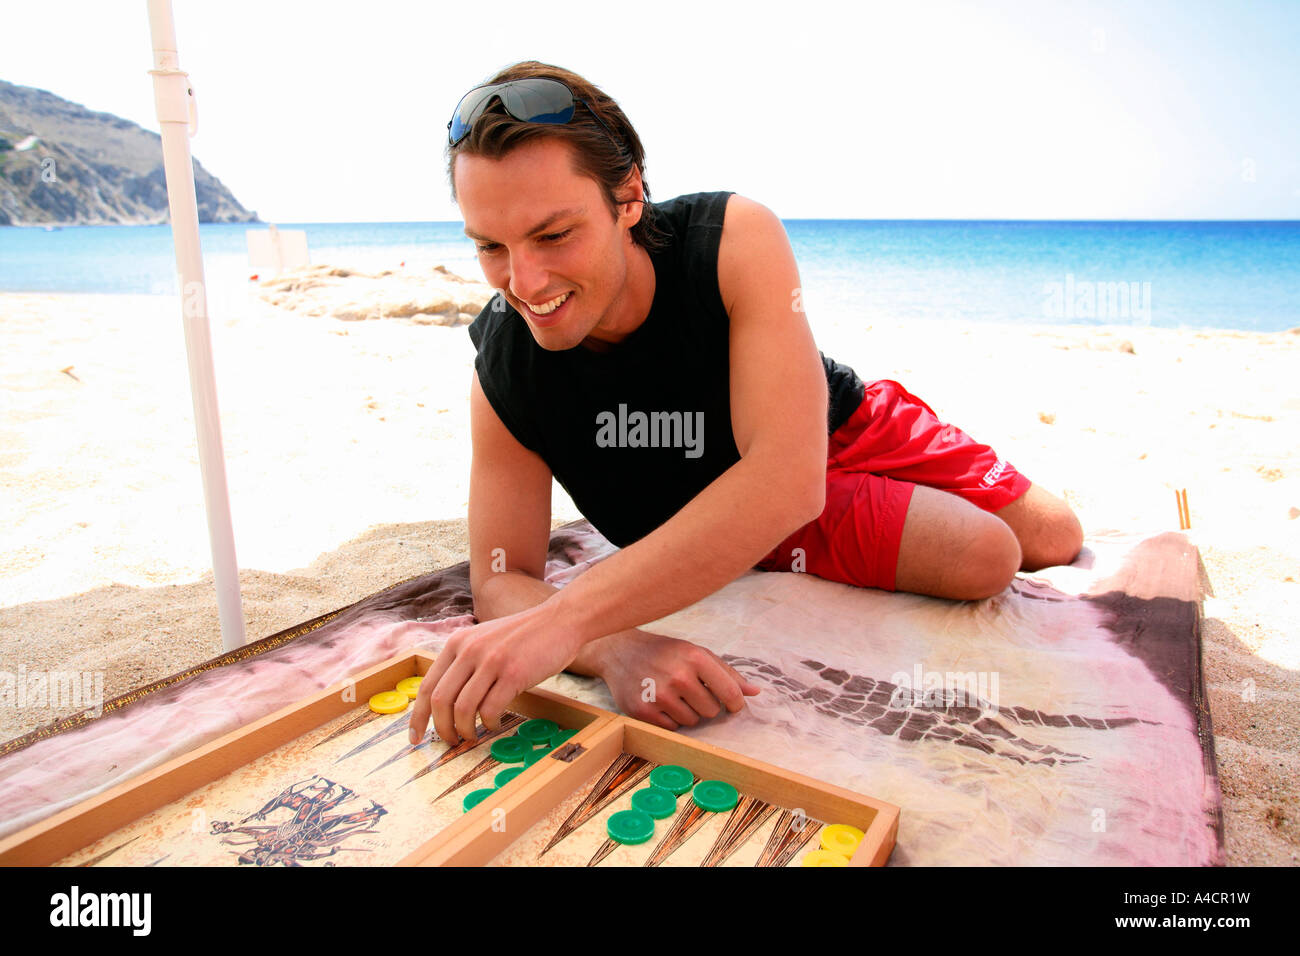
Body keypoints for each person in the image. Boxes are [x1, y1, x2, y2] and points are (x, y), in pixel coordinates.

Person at [407, 61, 1083, 747]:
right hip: (750, 501)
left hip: (827, 425)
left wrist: (567, 620)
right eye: (491, 245)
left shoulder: (732, 237)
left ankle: (789, 514)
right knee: (984, 556)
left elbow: (785, 478)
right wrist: (614, 646)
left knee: (1054, 535)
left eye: (554, 236)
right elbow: (501, 578)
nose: (524, 282)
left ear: (629, 196)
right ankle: (755, 538)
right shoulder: (505, 368)